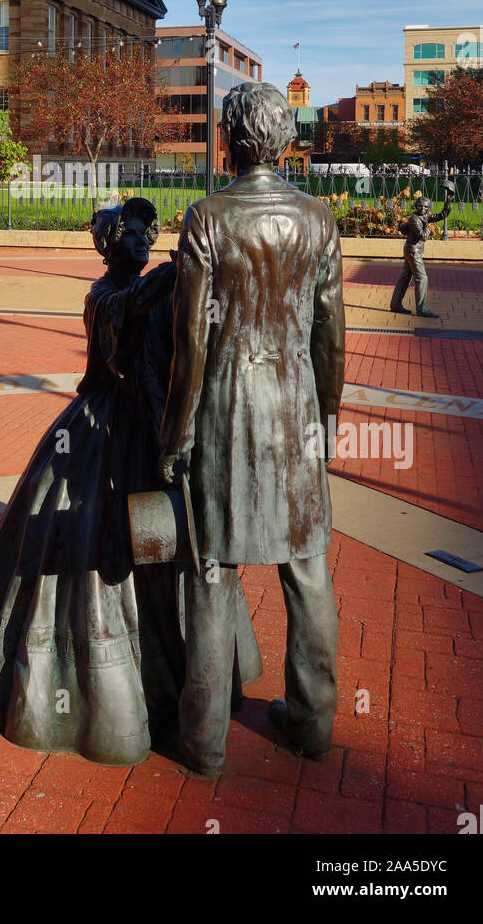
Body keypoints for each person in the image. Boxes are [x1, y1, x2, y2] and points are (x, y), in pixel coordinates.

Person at [0, 195, 259, 766]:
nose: (141, 241)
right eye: (131, 233)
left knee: (169, 548)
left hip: (150, 428)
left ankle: (185, 683)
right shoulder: (105, 296)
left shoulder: (162, 292)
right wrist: (178, 264)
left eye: (147, 233)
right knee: (97, 537)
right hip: (101, 427)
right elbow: (131, 304)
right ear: (108, 243)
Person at [158, 83, 346, 777]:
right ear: (287, 141)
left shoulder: (207, 219)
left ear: (229, 141)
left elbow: (191, 350)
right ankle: (312, 723)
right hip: (295, 413)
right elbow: (330, 339)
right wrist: (327, 425)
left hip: (226, 415)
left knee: (212, 575)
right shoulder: (319, 220)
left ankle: (204, 743)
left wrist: (173, 439)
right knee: (308, 570)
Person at [389, 185, 455, 318]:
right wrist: (428, 227)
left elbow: (442, 215)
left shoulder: (424, 216)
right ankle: (422, 309)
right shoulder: (415, 219)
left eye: (426, 207)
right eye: (420, 206)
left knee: (405, 277)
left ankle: (395, 304)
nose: (423, 209)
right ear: (416, 206)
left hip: (412, 250)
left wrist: (448, 200)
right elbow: (423, 236)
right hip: (413, 251)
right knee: (422, 278)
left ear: (428, 208)